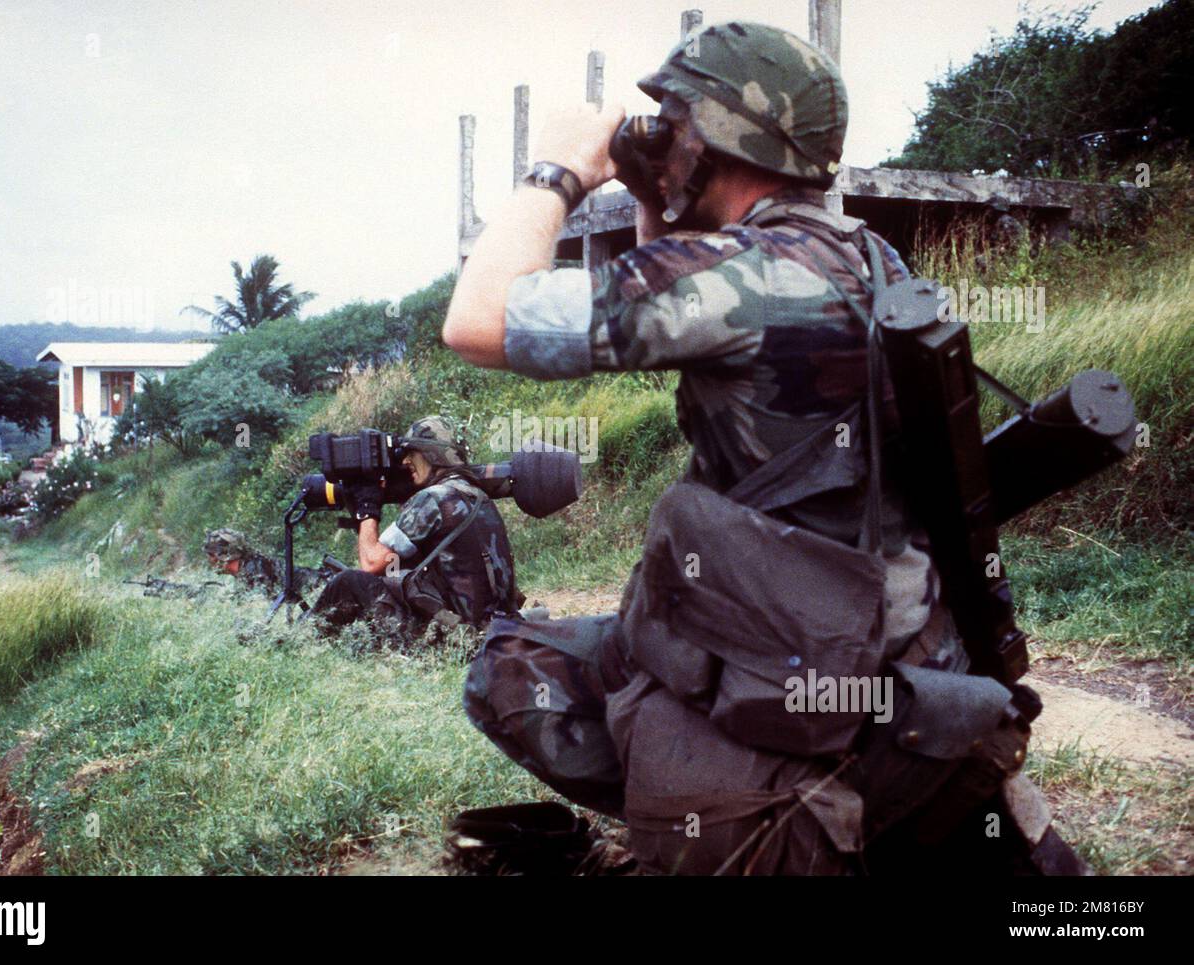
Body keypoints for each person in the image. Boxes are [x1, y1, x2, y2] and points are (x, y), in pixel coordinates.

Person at [443, 21, 1073, 875]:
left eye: (671, 122)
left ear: (716, 137)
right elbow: (674, 300)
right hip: (898, 653)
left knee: (508, 665)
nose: (658, 135)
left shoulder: (737, 277)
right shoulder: (867, 255)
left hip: (795, 670)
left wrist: (555, 170)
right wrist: (652, 188)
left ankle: (751, 816)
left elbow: (475, 322)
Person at [309, 416, 522, 632]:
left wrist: (366, 509)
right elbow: (398, 564)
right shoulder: (476, 495)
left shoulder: (434, 498)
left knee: (348, 582)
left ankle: (303, 640)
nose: (405, 461)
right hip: (490, 628)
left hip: (453, 635)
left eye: (411, 453)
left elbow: (372, 563)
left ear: (431, 453)